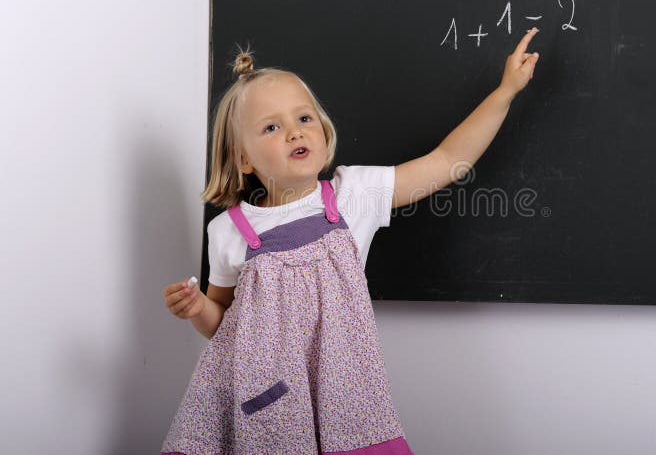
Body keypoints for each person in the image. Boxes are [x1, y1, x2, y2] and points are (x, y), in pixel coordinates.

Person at [161, 28, 540, 454]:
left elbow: (447, 161)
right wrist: (197, 309)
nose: (294, 132)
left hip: (344, 401)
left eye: (304, 119)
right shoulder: (230, 231)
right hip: (265, 410)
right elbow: (224, 327)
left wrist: (505, 92)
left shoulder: (352, 196)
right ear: (242, 158)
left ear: (322, 131)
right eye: (271, 126)